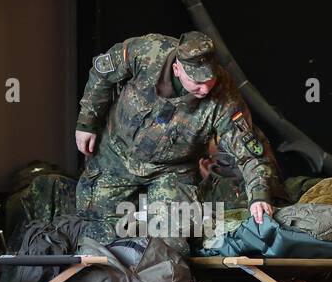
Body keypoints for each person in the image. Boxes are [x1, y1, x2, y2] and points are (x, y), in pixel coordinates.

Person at [74, 31, 279, 250]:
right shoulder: (148, 51)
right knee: (97, 236)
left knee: (172, 241)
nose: (205, 88)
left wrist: (259, 195)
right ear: (177, 69)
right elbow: (102, 72)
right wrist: (87, 121)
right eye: (197, 81)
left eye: (210, 79)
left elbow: (249, 151)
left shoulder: (224, 96)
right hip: (116, 155)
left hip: (172, 171)